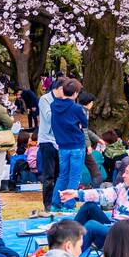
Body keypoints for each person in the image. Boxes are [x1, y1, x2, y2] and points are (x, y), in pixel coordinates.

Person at [65, 157, 129, 252]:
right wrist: (76, 194)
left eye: (127, 172)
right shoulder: (124, 188)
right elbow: (103, 194)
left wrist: (107, 227)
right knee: (89, 207)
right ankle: (65, 244)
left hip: (126, 239)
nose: (123, 175)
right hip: (111, 229)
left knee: (91, 225)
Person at [51, 80, 88, 210]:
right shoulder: (76, 108)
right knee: (74, 177)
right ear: (76, 93)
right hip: (76, 144)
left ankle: (55, 203)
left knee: (63, 175)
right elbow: (85, 123)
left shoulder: (54, 105)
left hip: (62, 145)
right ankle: (69, 204)